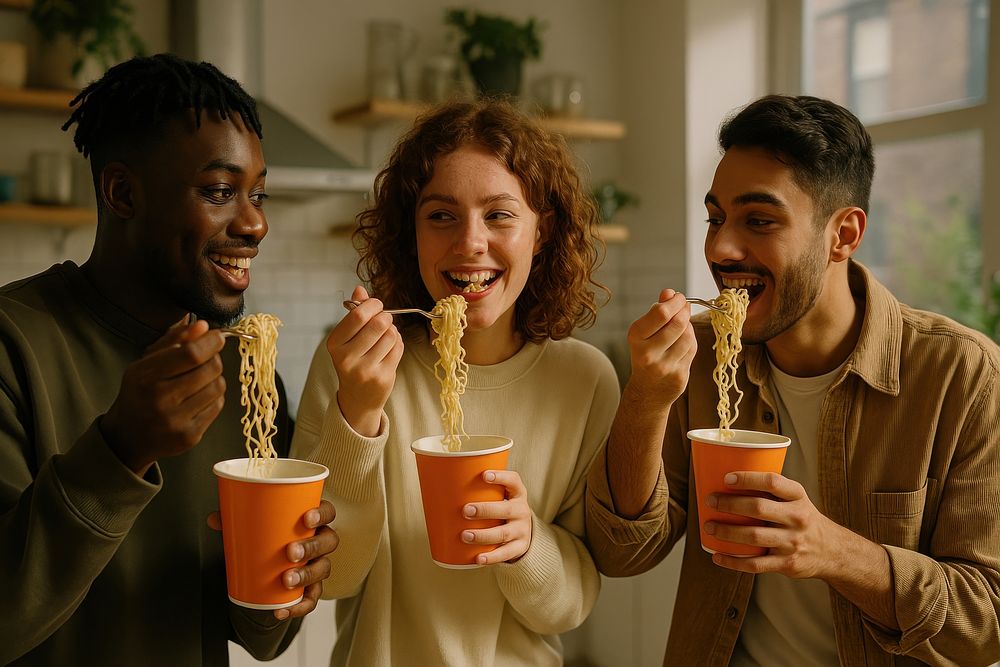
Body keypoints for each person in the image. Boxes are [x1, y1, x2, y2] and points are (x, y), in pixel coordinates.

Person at [585, 94, 1000, 665]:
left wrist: (833, 552)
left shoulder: (964, 376)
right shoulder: (700, 357)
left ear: (843, 235)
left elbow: (987, 621)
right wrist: (645, 399)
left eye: (759, 220)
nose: (720, 248)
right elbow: (622, 552)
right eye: (715, 219)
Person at [0, 53, 339, 666]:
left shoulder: (247, 375)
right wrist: (121, 448)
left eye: (258, 194)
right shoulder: (12, 345)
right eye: (220, 192)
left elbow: (264, 637)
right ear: (122, 192)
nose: (256, 224)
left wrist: (289, 576)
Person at [289, 98, 620, 666]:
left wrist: (526, 544)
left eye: (500, 215)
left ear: (541, 232)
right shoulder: (352, 367)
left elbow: (571, 607)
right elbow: (334, 577)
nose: (470, 242)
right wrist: (358, 415)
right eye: (441, 216)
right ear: (411, 233)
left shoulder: (584, 381)